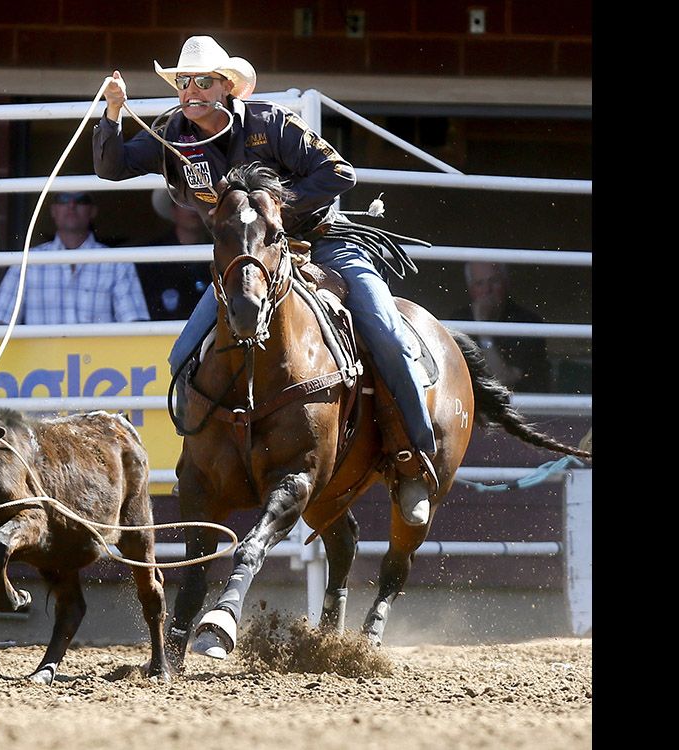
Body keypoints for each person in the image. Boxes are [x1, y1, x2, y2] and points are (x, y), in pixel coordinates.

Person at [93, 35, 438, 526]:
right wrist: (111, 112)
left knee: (387, 331)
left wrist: (270, 206)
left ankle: (412, 461)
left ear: (227, 86)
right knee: (183, 353)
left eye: (203, 81)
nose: (191, 90)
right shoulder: (173, 132)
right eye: (183, 81)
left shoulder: (269, 123)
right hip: (248, 263)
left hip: (320, 243)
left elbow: (339, 173)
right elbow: (111, 166)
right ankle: (209, 463)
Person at [0, 191, 149, 325]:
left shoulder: (117, 263)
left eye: (81, 199)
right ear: (53, 210)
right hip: (42, 358)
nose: (71, 204)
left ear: (93, 211)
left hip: (100, 358)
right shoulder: (28, 262)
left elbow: (134, 323)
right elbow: (1, 322)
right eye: (63, 198)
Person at [453, 261, 551, 392]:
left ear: (506, 284)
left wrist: (483, 330)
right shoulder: (458, 321)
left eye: (494, 281)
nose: (487, 290)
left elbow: (503, 380)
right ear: (470, 290)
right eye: (479, 284)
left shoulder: (526, 323)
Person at [132, 189, 211, 320]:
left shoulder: (220, 251)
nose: (193, 208)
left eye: (199, 200)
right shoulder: (152, 257)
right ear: (173, 209)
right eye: (185, 201)